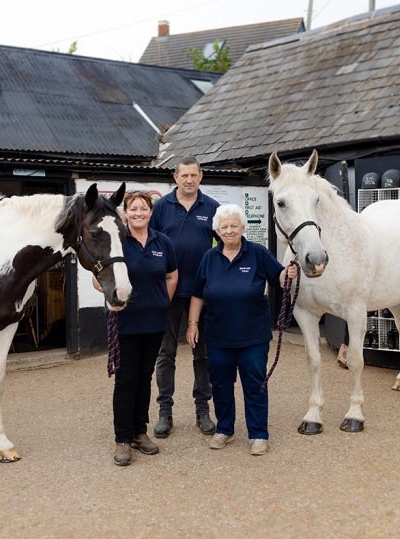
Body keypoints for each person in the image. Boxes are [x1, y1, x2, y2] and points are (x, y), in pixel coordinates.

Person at [186, 204, 298, 456]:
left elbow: (279, 278)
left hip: (252, 337)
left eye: (234, 226)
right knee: (221, 385)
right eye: (224, 226)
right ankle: (225, 429)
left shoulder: (257, 253)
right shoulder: (209, 258)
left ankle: (258, 434)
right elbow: (197, 294)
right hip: (217, 336)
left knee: (255, 384)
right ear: (217, 230)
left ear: (242, 228)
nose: (229, 231)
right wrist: (193, 324)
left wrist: (287, 273)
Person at [93, 191, 178, 466]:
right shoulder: (117, 240)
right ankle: (123, 439)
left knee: (145, 376)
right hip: (126, 321)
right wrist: (111, 296)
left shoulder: (162, 241)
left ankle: (140, 432)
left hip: (154, 322)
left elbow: (172, 274)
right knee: (126, 379)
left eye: (144, 208)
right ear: (125, 214)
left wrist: (163, 301)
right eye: (133, 209)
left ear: (151, 212)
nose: (139, 213)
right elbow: (98, 278)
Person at [149, 157, 220, 438]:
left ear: (201, 176)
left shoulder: (213, 208)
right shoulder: (160, 208)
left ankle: (203, 410)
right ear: (175, 177)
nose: (189, 180)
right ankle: (164, 411)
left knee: (202, 355)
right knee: (165, 355)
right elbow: (148, 243)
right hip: (167, 294)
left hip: (202, 295)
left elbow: (227, 242)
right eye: (184, 175)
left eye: (194, 175)